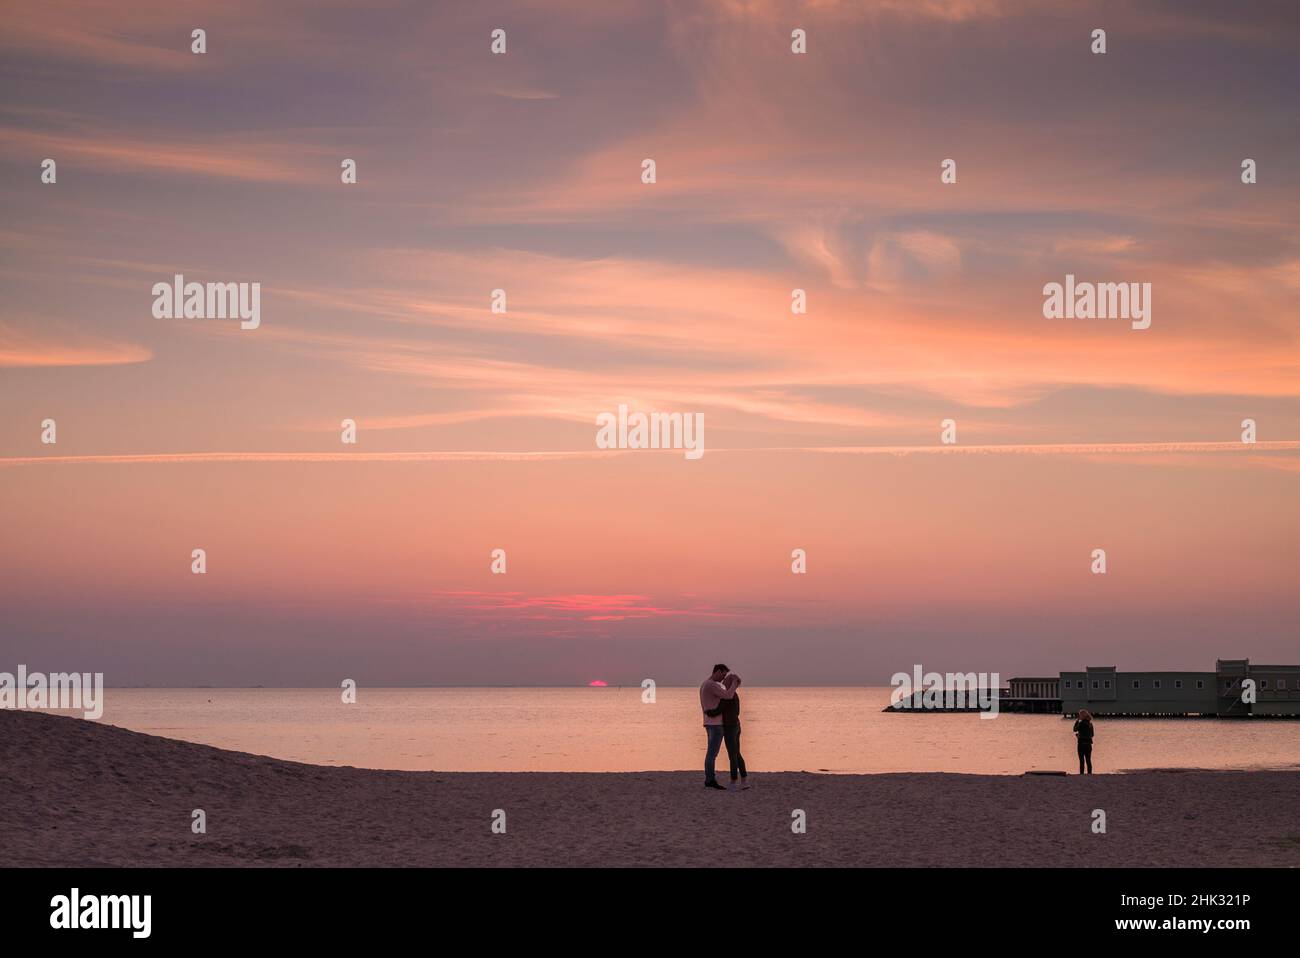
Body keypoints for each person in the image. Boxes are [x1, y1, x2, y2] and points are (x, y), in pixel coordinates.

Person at [699, 664, 739, 790]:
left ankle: (709, 778)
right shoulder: (712, 685)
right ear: (718, 671)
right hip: (715, 724)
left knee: (711, 752)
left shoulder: (705, 684)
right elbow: (728, 695)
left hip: (709, 722)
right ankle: (710, 779)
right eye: (723, 674)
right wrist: (734, 684)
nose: (723, 678)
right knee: (712, 753)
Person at [714, 671, 749, 790]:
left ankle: (733, 781)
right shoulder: (735, 695)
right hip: (737, 725)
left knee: (732, 755)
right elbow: (737, 712)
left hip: (730, 727)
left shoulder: (727, 696)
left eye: (726, 680)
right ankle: (744, 779)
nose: (724, 681)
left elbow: (719, 709)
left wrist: (708, 712)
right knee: (737, 753)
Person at [1073, 709, 1095, 774]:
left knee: (1082, 761)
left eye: (1079, 715)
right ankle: (1089, 773)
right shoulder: (1090, 724)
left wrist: (1077, 721)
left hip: (1081, 745)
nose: (1079, 716)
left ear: (1082, 716)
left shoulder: (1081, 723)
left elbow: (1074, 729)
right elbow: (1092, 735)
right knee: (1088, 760)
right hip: (1088, 745)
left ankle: (1081, 774)